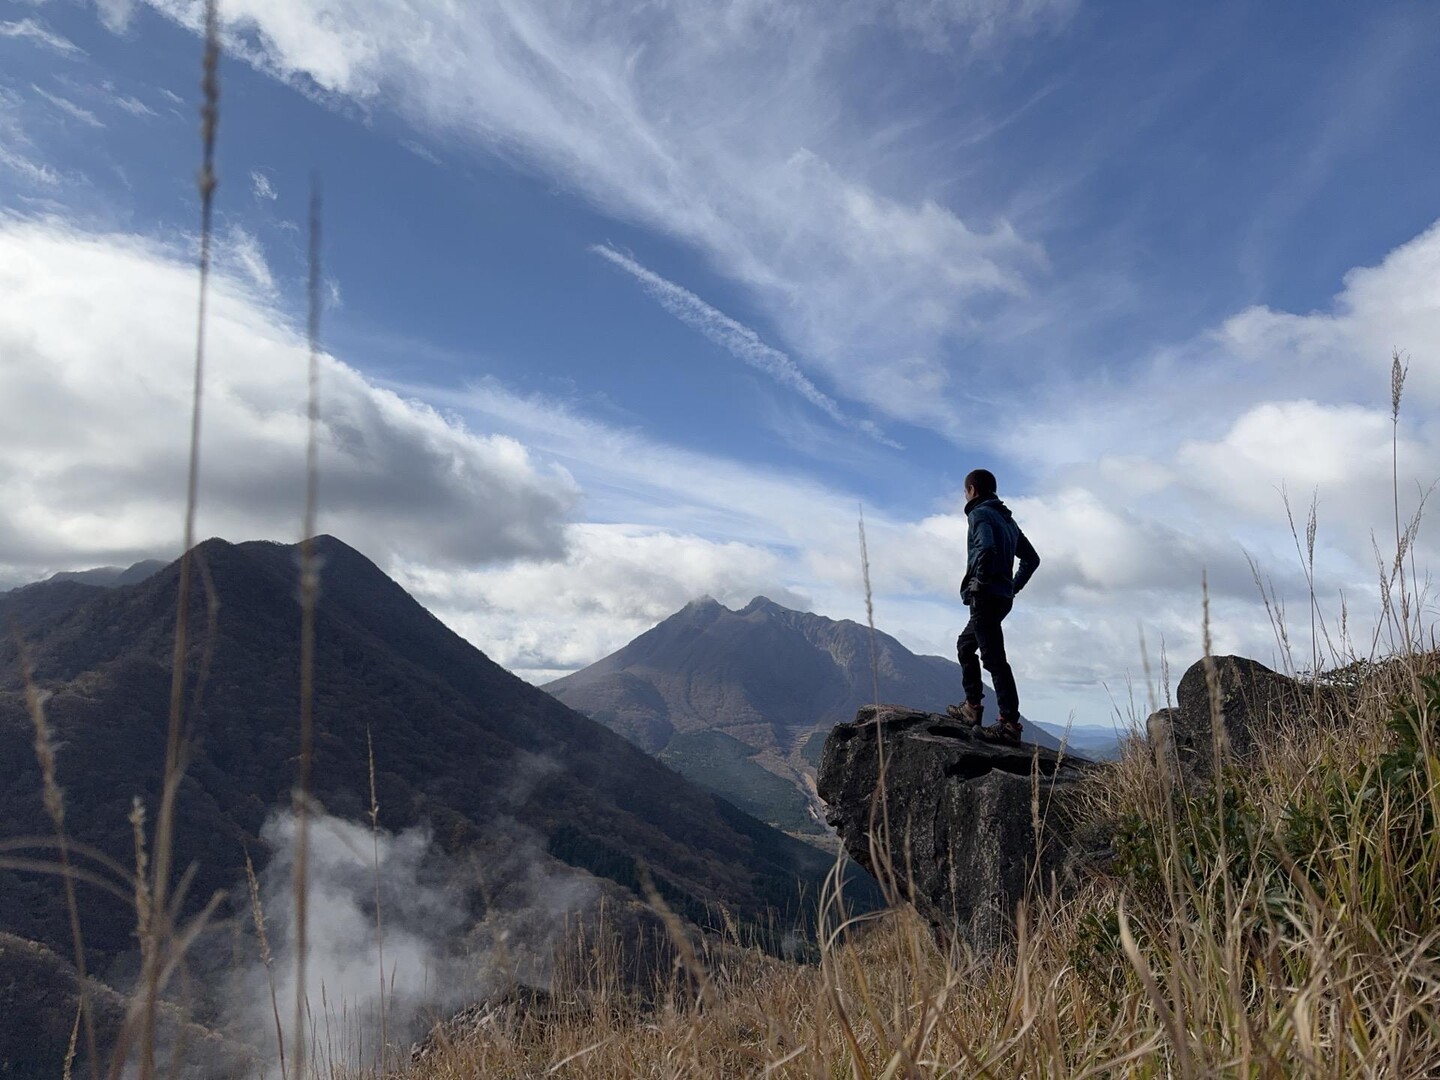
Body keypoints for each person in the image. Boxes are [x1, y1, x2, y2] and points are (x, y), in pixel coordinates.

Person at [947, 469, 1040, 744]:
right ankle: (972, 708)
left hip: (985, 596)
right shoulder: (1007, 520)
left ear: (972, 490)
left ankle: (1008, 724)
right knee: (966, 646)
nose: (965, 496)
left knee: (994, 659)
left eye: (965, 491)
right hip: (1001, 598)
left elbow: (985, 547)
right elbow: (1031, 559)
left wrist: (981, 581)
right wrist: (1012, 586)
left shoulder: (979, 514)